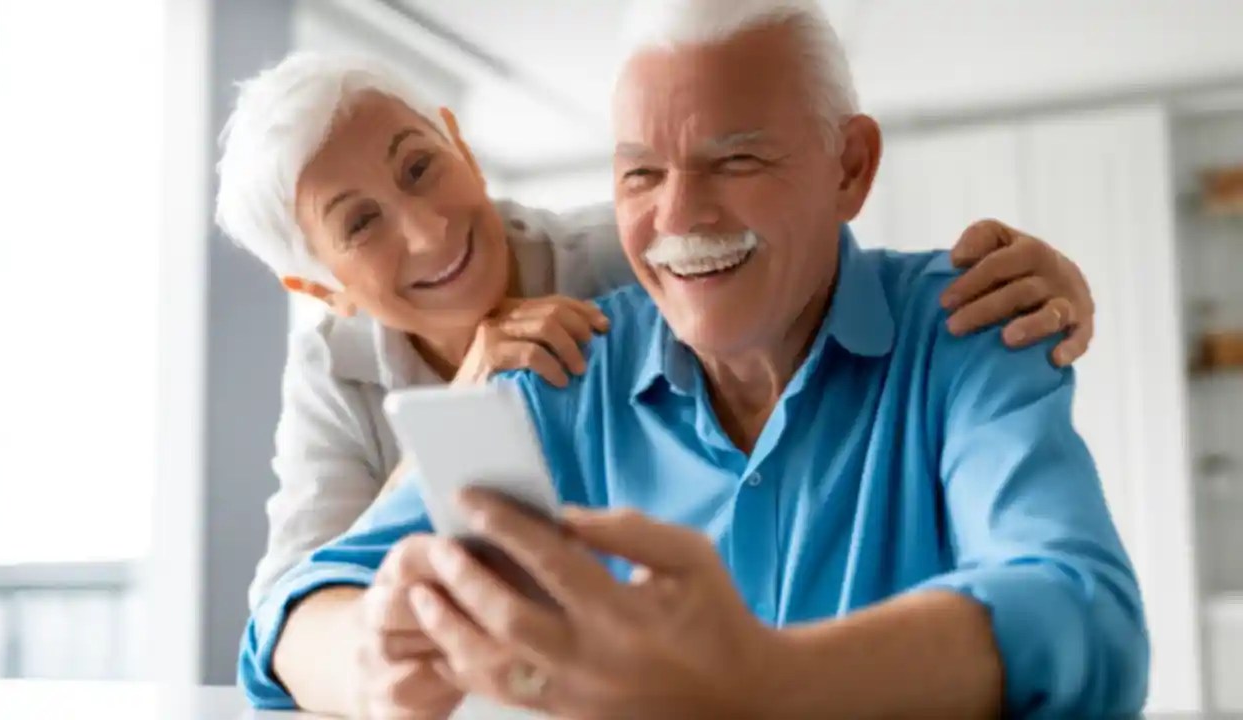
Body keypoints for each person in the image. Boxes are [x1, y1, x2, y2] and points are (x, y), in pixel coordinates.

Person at [238, 0, 1147, 716]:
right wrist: (375, 659)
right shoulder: (559, 366)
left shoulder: (969, 326)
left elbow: (1085, 615)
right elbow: (296, 607)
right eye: (640, 173)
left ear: (850, 168)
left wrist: (765, 682)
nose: (678, 218)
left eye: (738, 159)